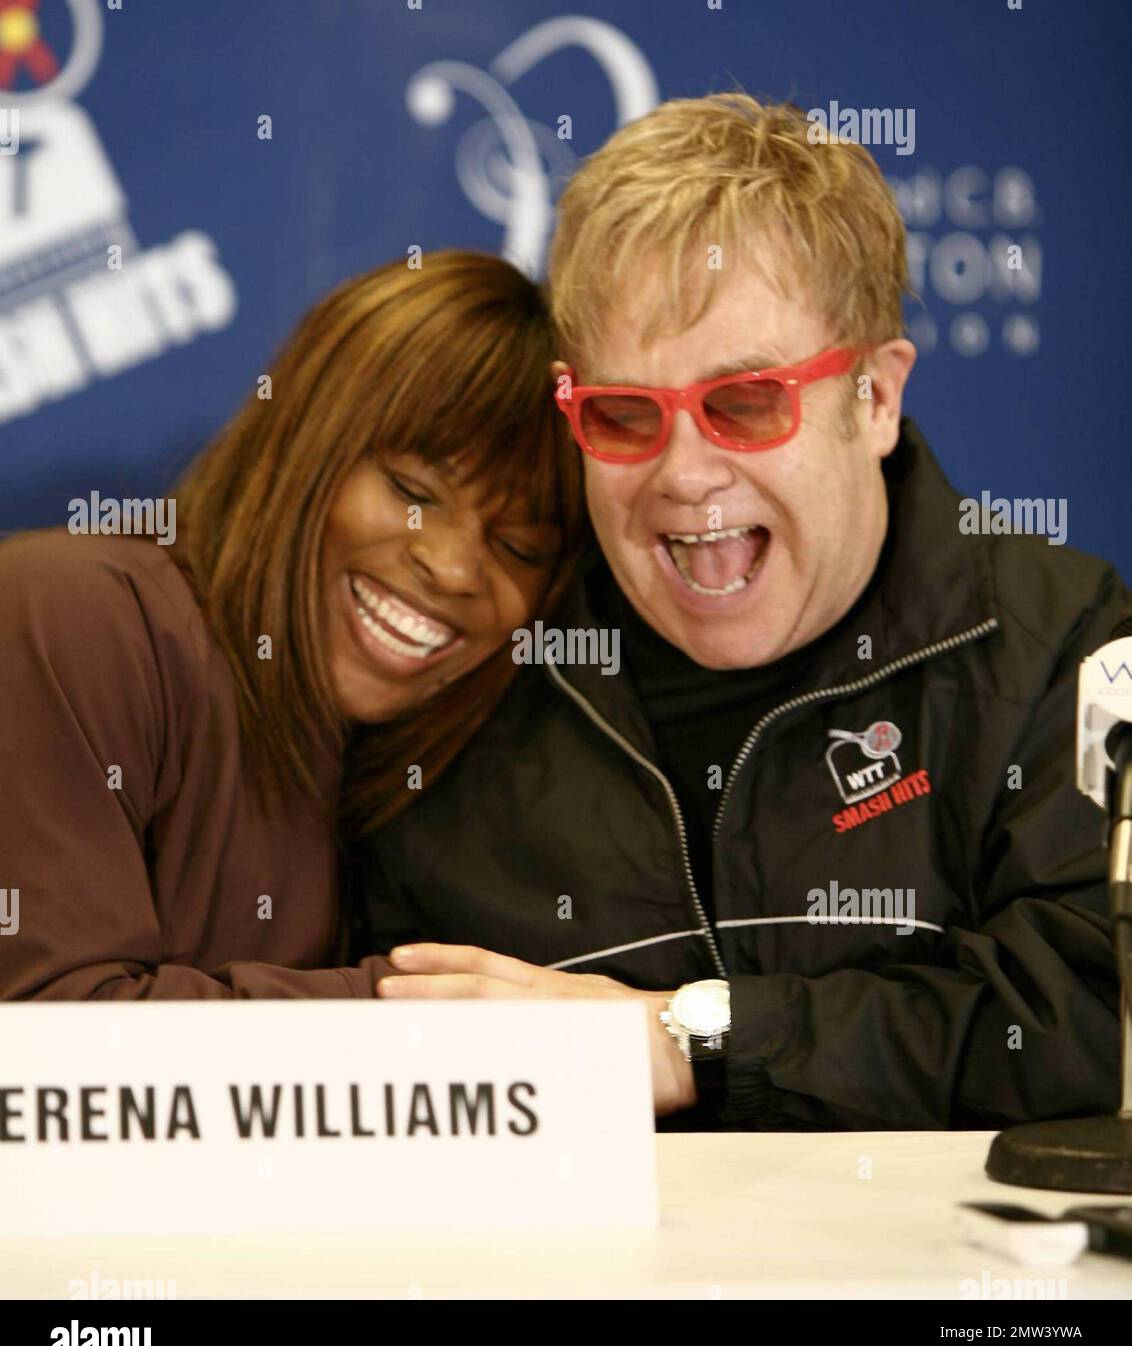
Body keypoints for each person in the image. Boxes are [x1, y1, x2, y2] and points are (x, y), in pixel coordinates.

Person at [354, 95, 1131, 1131]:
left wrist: (690, 1041)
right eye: (624, 416)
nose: (682, 473)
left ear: (874, 398)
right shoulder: (478, 664)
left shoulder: (1063, 647)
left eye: (744, 403)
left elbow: (1093, 1015)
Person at [0, 251, 583, 999]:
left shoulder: (417, 778)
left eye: (518, 548)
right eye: (412, 490)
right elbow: (59, 1041)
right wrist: (447, 1021)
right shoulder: (70, 612)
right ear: (302, 443)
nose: (455, 567)